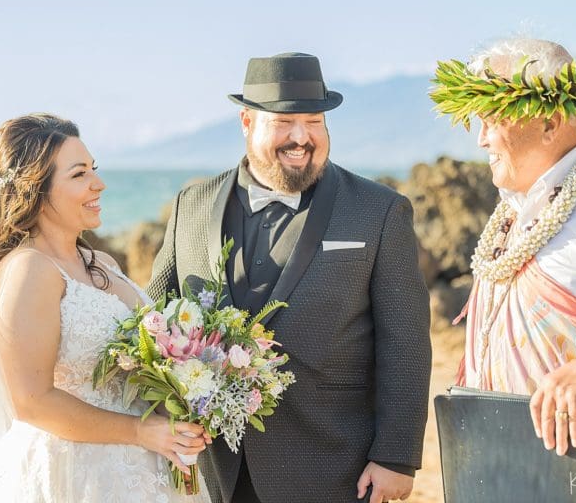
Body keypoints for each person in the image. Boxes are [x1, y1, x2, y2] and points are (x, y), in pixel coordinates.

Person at [147, 52, 432, 503]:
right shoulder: (191, 205)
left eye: (314, 121)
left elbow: (405, 341)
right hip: (214, 468)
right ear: (246, 121)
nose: (302, 137)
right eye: (284, 122)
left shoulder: (379, 211)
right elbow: (156, 321)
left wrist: (396, 456)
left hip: (335, 465)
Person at [0, 113, 211, 502]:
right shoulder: (29, 271)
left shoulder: (103, 263)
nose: (99, 184)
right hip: (76, 472)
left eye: (94, 169)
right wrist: (142, 431)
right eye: (79, 175)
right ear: (36, 190)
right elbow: (31, 401)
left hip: (145, 466)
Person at [431, 39, 576, 456]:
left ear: (549, 123)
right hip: (497, 470)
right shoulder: (513, 211)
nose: (480, 140)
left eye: (490, 121)